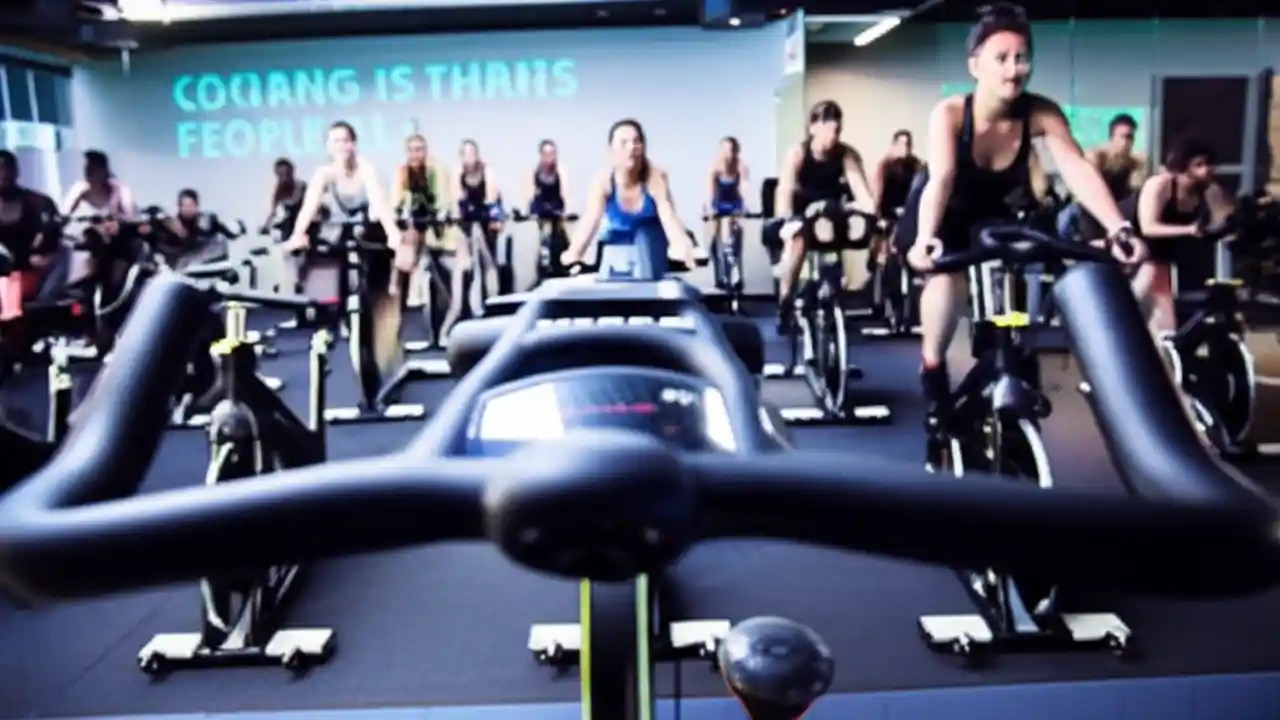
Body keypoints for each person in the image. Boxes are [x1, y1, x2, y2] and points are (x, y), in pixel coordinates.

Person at [903, 2, 1145, 425]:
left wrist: (1119, 228)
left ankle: (1003, 360)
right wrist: (926, 237)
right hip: (939, 212)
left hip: (989, 214)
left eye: (1022, 58)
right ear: (975, 65)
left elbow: (1076, 168)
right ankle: (933, 369)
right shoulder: (951, 113)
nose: (1014, 69)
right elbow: (941, 178)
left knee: (1023, 266)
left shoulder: (1040, 112)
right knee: (947, 282)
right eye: (1002, 59)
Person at [286, 120, 407, 374]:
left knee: (376, 293)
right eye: (336, 141)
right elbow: (309, 206)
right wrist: (298, 234)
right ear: (329, 147)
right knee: (328, 287)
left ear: (354, 144)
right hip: (337, 241)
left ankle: (385, 344)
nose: (342, 146)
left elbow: (380, 202)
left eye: (345, 140)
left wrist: (394, 234)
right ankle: (334, 324)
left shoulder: (366, 169)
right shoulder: (324, 175)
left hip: (366, 238)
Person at [773, 100, 878, 328]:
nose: (833, 137)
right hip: (802, 213)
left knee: (866, 229)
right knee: (797, 241)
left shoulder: (846, 155)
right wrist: (785, 218)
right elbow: (785, 190)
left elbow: (862, 193)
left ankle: (841, 293)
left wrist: (869, 210)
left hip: (831, 214)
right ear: (813, 128)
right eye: (829, 131)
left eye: (837, 131)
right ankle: (785, 300)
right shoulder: (798, 154)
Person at [1124, 136, 1233, 339]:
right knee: (1141, 288)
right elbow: (1148, 227)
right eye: (1199, 165)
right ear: (1183, 166)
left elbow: (1222, 220)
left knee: (1164, 312)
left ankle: (1164, 347)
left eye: (1209, 164)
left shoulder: (1209, 190)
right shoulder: (1160, 185)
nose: (1206, 170)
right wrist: (1190, 230)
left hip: (1164, 252)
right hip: (1132, 241)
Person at [560, 118, 698, 277]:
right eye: (624, 143)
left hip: (650, 247)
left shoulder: (656, 177)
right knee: (611, 251)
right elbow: (590, 220)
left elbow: (669, 217)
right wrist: (574, 253)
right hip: (617, 248)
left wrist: (684, 249)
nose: (632, 148)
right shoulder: (603, 181)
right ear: (612, 150)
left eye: (637, 142)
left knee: (644, 236)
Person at [439, 139, 503, 340]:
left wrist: (490, 214)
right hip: (466, 226)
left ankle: (493, 308)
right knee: (465, 268)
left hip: (486, 224)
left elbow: (492, 199)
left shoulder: (487, 171)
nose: (470, 157)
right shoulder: (457, 173)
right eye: (465, 153)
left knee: (489, 267)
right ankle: (448, 326)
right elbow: (457, 204)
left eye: (473, 153)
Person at [0, 150, 61, 356]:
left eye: (7, 168)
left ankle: (12, 348)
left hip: (26, 273)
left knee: (10, 282)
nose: (3, 174)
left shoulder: (38, 203)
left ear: (16, 171)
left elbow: (50, 243)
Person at [60, 150, 138, 285]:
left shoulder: (118, 189)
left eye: (93, 168)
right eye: (87, 168)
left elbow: (131, 215)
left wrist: (115, 221)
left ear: (104, 169)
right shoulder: (79, 189)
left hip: (117, 239)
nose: (89, 172)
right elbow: (65, 215)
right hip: (89, 239)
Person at [391, 133, 450, 307]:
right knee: (408, 238)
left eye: (419, 150)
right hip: (412, 220)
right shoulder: (402, 171)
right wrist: (399, 211)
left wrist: (441, 212)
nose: (415, 154)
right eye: (412, 150)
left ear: (425, 151)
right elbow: (397, 198)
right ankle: (400, 285)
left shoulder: (435, 170)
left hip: (434, 220)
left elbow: (443, 197)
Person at [703, 136, 754, 254]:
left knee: (737, 226)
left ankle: (737, 252)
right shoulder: (714, 169)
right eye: (725, 151)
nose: (728, 155)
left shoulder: (741, 167)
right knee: (713, 229)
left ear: (736, 152)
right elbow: (710, 193)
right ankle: (713, 252)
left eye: (731, 151)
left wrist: (747, 207)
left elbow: (744, 187)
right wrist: (710, 210)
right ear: (720, 152)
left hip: (734, 203)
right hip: (718, 203)